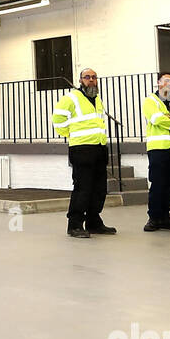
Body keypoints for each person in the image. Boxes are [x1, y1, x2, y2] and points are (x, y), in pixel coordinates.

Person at [51, 67, 116, 238]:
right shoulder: (71, 98)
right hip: (81, 149)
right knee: (83, 188)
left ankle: (94, 222)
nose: (91, 80)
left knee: (99, 188)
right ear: (80, 80)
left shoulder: (97, 99)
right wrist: (71, 134)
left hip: (99, 148)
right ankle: (75, 225)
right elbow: (57, 120)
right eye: (87, 77)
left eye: (94, 77)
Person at [141, 71, 170, 231]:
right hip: (158, 149)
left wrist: (169, 117)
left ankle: (164, 217)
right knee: (158, 183)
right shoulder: (150, 101)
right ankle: (154, 218)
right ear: (159, 83)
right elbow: (155, 119)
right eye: (166, 80)